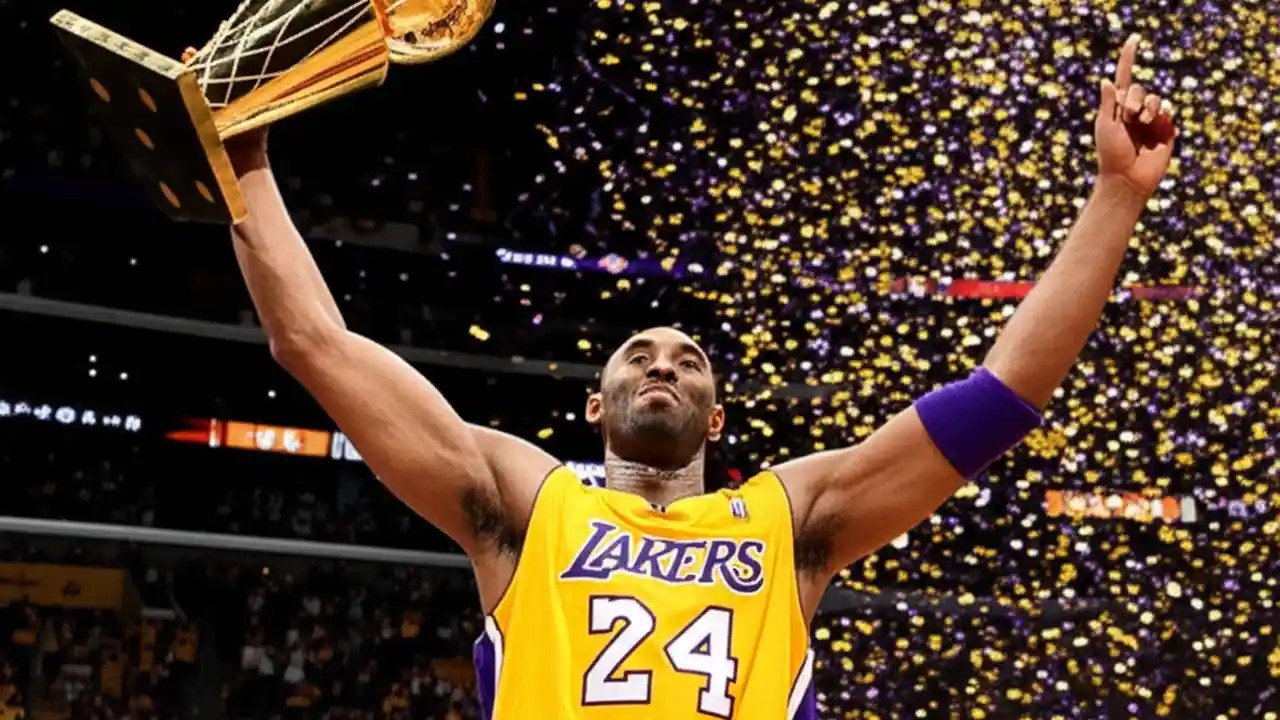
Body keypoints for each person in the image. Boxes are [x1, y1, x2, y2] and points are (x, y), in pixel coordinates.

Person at [223, 35, 1175, 720]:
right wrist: (248, 168)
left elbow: (995, 404)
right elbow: (316, 344)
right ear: (595, 405)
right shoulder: (527, 501)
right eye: (639, 354)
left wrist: (1117, 196)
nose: (663, 363)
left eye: (688, 360)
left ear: (716, 420)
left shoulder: (787, 520)